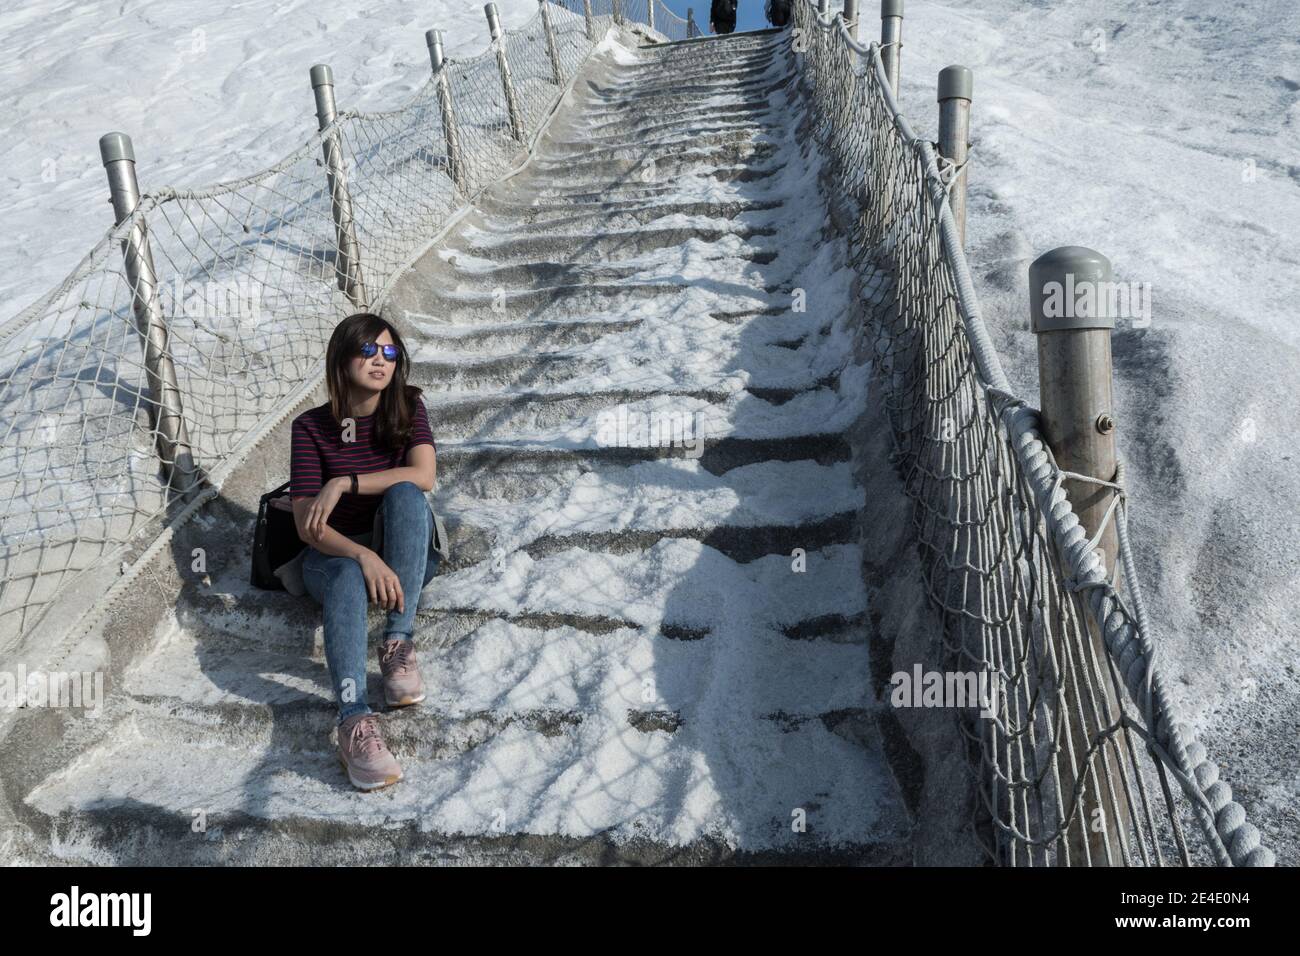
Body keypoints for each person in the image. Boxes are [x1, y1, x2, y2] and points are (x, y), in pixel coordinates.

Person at [289, 311, 440, 791]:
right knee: (346, 575)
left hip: (404, 550)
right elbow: (306, 527)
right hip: (333, 558)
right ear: (342, 357)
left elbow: (424, 476)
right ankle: (353, 720)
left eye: (390, 352)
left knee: (405, 494)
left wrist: (345, 482)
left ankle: (397, 642)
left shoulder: (410, 406)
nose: (381, 360)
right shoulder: (311, 427)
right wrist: (361, 555)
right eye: (368, 350)